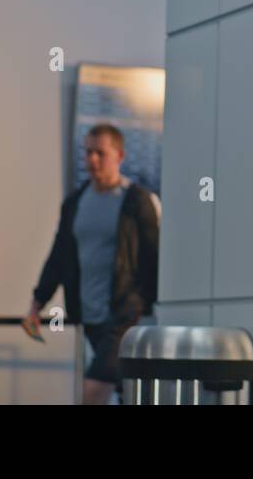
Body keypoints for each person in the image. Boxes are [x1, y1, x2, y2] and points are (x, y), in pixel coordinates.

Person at [25, 123, 160, 404]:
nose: (92, 160)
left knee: (92, 392)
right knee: (126, 391)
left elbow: (153, 257)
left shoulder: (137, 201)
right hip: (89, 315)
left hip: (125, 316)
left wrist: (146, 305)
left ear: (119, 156)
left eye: (100, 153)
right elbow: (58, 257)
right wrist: (38, 303)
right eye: (88, 153)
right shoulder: (75, 203)